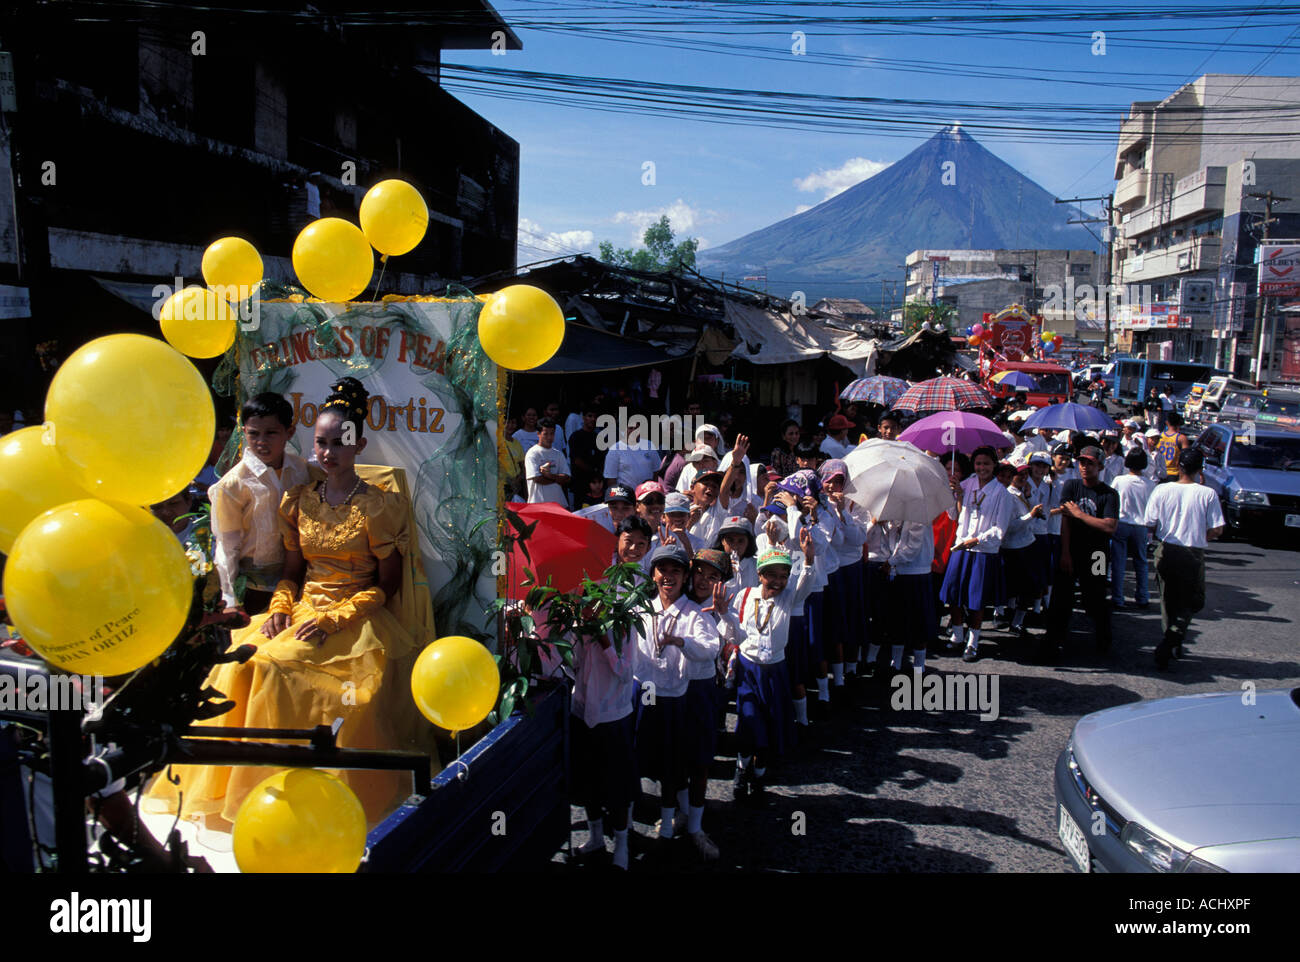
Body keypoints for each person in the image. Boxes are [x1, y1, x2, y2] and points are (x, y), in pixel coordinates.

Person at [145, 377, 431, 827]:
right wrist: (279, 606)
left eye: (339, 443)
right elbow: (293, 570)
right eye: (320, 443)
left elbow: (388, 585)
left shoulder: (378, 506)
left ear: (359, 446)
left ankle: (292, 799)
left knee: (276, 670)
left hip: (352, 616)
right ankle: (241, 791)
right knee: (240, 660)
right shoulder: (299, 498)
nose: (328, 453)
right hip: (301, 606)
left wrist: (336, 619)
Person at [571, 515, 651, 870]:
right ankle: (594, 836)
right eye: (627, 540)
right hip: (583, 701)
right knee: (588, 779)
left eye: (640, 544)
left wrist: (602, 632)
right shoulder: (592, 582)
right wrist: (579, 624)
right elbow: (573, 648)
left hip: (613, 707)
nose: (632, 548)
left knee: (617, 784)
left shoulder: (635, 593)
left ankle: (621, 843)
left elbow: (625, 668)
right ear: (616, 540)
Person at [633, 544, 720, 846]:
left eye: (676, 570)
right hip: (653, 693)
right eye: (662, 570)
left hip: (689, 693)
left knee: (693, 761)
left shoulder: (696, 613)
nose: (668, 576)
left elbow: (710, 649)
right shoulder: (642, 610)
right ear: (652, 574)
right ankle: (666, 820)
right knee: (659, 760)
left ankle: (693, 828)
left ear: (685, 576)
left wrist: (680, 641)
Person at [209, 392, 317, 618]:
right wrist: (229, 598)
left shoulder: (300, 470)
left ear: (289, 432)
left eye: (271, 433)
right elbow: (227, 545)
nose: (261, 442)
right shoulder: (233, 484)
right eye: (254, 434)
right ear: (244, 433)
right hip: (253, 590)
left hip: (297, 581)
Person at [731, 530, 821, 799]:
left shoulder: (788, 598)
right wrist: (724, 612)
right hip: (749, 670)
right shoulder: (745, 596)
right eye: (771, 575)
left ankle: (758, 778)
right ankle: (740, 769)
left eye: (783, 576)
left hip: (775, 672)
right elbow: (733, 631)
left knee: (769, 726)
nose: (778, 581)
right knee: (749, 722)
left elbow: (806, 581)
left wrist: (808, 558)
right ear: (760, 574)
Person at [1143, 448, 1224, 669]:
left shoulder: (1162, 489)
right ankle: (1171, 640)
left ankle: (1172, 640)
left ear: (1179, 466)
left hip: (1166, 549)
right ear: (1200, 469)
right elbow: (1217, 529)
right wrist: (1201, 534)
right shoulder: (1207, 494)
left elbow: (1149, 521)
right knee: (1193, 600)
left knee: (1168, 600)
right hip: (1192, 552)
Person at [1040, 445, 1119, 661]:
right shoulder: (1072, 486)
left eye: (1090, 463)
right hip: (1072, 548)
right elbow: (1066, 520)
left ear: (1100, 466)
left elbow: (1109, 527)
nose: (1084, 467)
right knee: (1061, 598)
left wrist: (1080, 515)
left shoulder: (1109, 494)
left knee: (1096, 598)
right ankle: (1054, 641)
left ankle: (1104, 640)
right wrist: (1065, 552)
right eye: (1082, 462)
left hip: (1098, 554)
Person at [940, 446, 1014, 663]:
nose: (982, 468)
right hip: (961, 548)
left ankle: (973, 642)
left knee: (976, 601)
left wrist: (976, 540)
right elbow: (954, 514)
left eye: (986, 464)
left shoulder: (1001, 493)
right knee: (953, 595)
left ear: (994, 466)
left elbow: (999, 530)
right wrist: (955, 495)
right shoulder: (967, 484)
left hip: (982, 552)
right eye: (978, 463)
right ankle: (957, 633)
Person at [1111, 448, 1153, 609]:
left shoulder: (1119, 480)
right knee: (1141, 562)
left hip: (1121, 523)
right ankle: (1142, 596)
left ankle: (1118, 597)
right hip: (1141, 525)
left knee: (1118, 563)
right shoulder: (1150, 484)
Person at [603, 414, 661, 490]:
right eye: (630, 428)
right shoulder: (614, 450)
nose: (633, 431)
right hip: (626, 497)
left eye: (636, 428)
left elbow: (656, 471)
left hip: (647, 496)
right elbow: (611, 480)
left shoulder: (649, 445)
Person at [524, 417, 571, 505]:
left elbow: (567, 478)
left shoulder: (558, 454)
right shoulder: (532, 453)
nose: (549, 437)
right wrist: (557, 479)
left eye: (552, 434)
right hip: (538, 506)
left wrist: (549, 475)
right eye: (545, 434)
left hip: (558, 504)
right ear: (538, 434)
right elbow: (537, 478)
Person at [567, 406, 605, 500]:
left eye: (595, 416)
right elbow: (577, 460)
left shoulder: (599, 438)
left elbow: (603, 459)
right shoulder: (576, 436)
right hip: (581, 486)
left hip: (597, 488)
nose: (593, 419)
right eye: (590, 416)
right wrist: (594, 471)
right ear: (583, 418)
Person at [500, 414, 527, 502]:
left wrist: (518, 479)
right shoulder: (497, 442)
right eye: (507, 423)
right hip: (503, 485)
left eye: (513, 423)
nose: (510, 426)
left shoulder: (517, 443)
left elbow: (523, 466)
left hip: (516, 486)